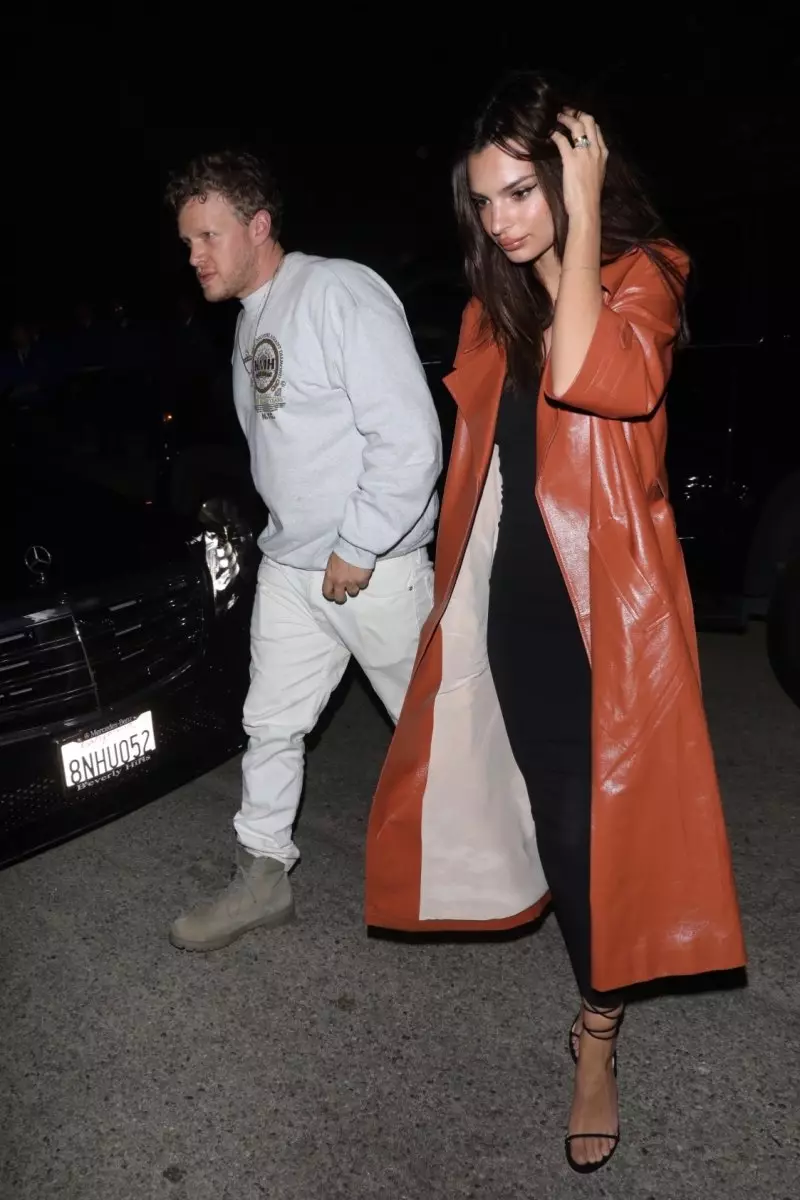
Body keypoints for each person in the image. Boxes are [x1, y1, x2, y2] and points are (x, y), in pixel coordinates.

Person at [365, 71, 746, 1173]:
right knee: (555, 820)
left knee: (594, 832)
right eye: (485, 202)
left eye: (524, 191)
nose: (501, 220)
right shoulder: (494, 307)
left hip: (608, 620)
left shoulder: (646, 273)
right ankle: (588, 991)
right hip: (512, 617)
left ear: (576, 181)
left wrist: (574, 231)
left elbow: (601, 380)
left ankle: (594, 1034)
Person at [165, 150, 442, 954]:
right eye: (187, 243)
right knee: (271, 725)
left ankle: (519, 865)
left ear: (258, 226)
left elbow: (412, 435)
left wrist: (359, 542)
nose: (195, 257)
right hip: (292, 567)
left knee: (437, 729)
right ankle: (262, 877)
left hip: (371, 568)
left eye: (208, 236)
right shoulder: (251, 319)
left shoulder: (337, 291)